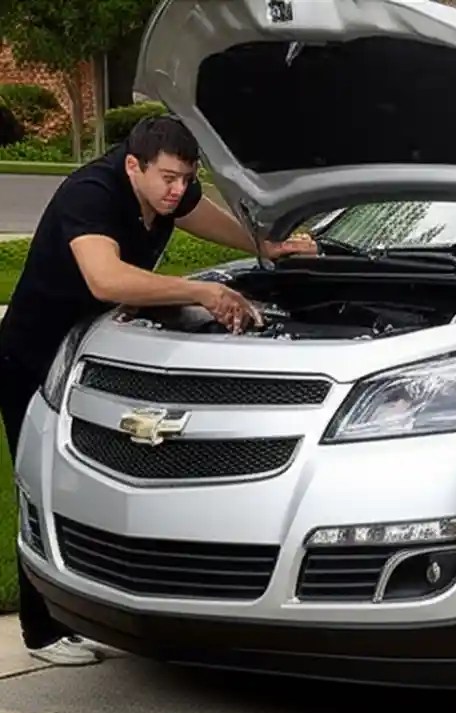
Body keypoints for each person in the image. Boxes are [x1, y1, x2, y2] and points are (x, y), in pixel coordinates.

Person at [0, 115, 317, 665]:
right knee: (44, 482)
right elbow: (106, 278)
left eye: (186, 179)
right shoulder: (91, 195)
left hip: (94, 354)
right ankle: (42, 631)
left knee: (102, 486)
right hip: (33, 356)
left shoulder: (173, 191)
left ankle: (106, 600)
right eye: (168, 179)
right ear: (133, 166)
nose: (178, 191)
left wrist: (271, 247)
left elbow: (213, 224)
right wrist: (203, 291)